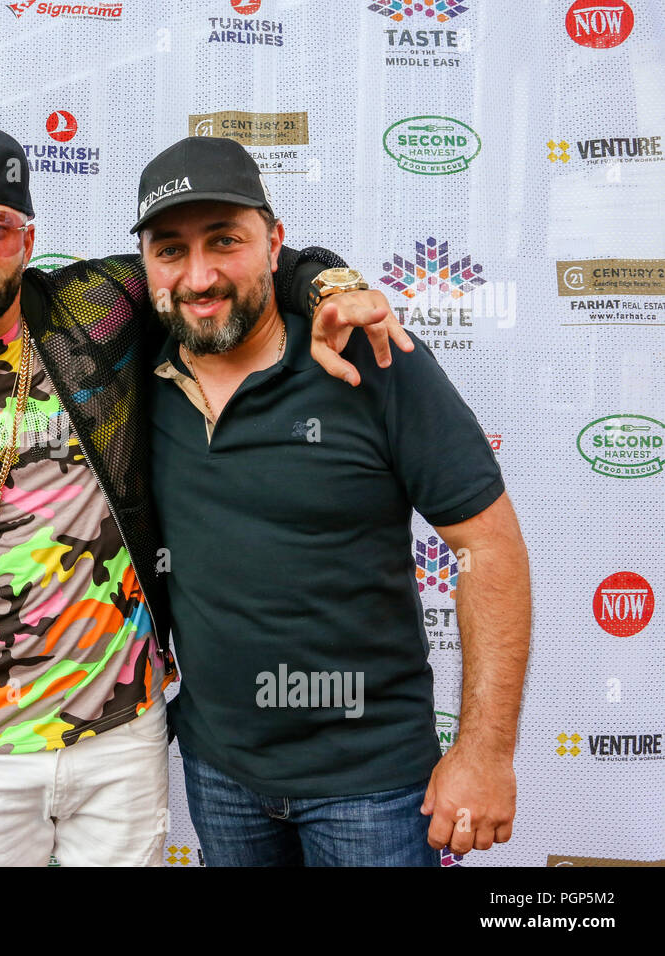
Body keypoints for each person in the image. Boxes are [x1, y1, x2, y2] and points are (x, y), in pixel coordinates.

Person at [0, 125, 409, 866]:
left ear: (27, 236)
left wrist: (329, 283)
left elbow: (233, 265)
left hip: (123, 734)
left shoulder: (94, 308)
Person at [136, 136, 531, 866]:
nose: (199, 275)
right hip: (219, 774)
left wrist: (485, 751)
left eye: (226, 241)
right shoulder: (131, 370)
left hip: (374, 786)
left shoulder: (371, 356)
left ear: (275, 242)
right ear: (147, 265)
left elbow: (489, 545)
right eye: (170, 250)